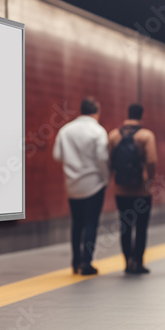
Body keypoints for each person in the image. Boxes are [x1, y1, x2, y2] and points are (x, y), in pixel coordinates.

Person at [53, 97, 109, 276]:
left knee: (76, 224)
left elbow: (56, 155)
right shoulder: (98, 131)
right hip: (93, 183)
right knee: (91, 223)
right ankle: (87, 262)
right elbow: (102, 158)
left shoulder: (65, 130)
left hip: (72, 185)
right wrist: (106, 178)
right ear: (96, 112)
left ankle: (75, 261)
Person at [108, 104, 157, 275]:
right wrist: (149, 180)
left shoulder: (114, 135)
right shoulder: (146, 136)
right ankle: (138, 262)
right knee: (141, 227)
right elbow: (151, 160)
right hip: (141, 191)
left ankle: (127, 262)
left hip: (121, 189)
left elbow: (109, 161)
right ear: (142, 115)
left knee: (125, 225)